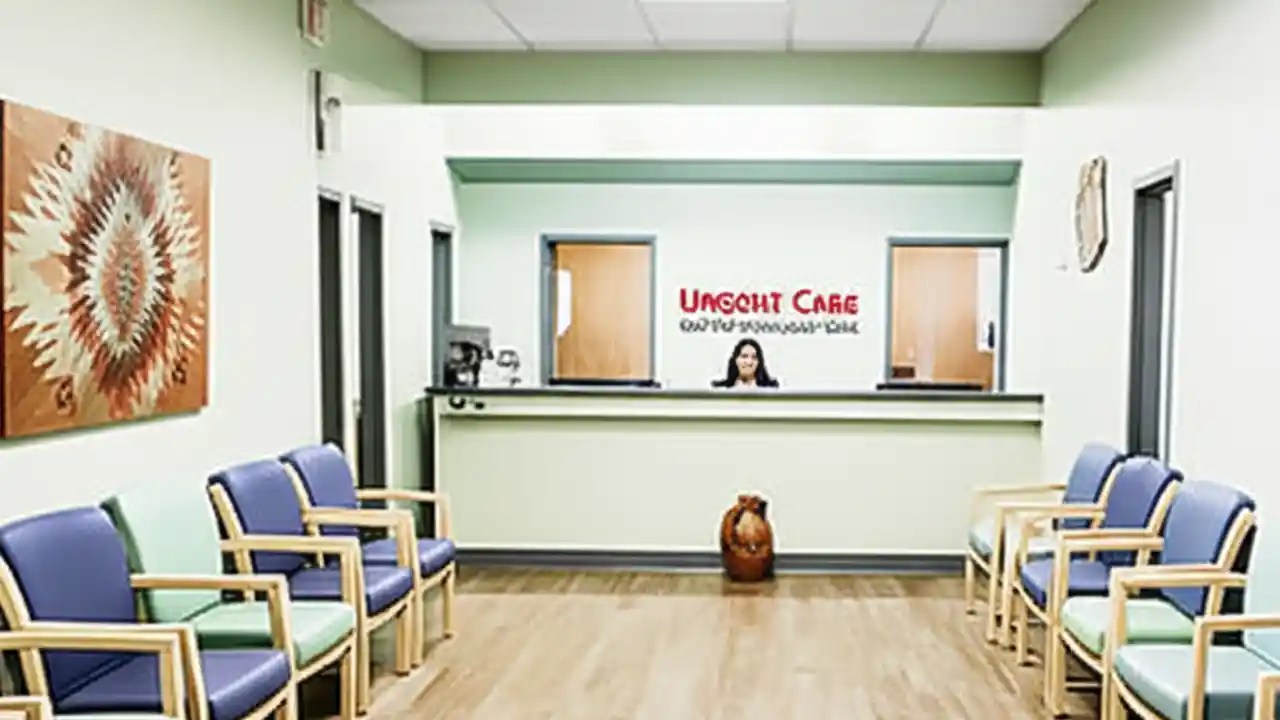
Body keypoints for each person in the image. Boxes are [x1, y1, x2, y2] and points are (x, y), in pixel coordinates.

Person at [711, 338, 780, 389]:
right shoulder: (721, 390)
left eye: (754, 357)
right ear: (735, 360)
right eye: (744, 356)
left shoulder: (770, 390)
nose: (749, 362)